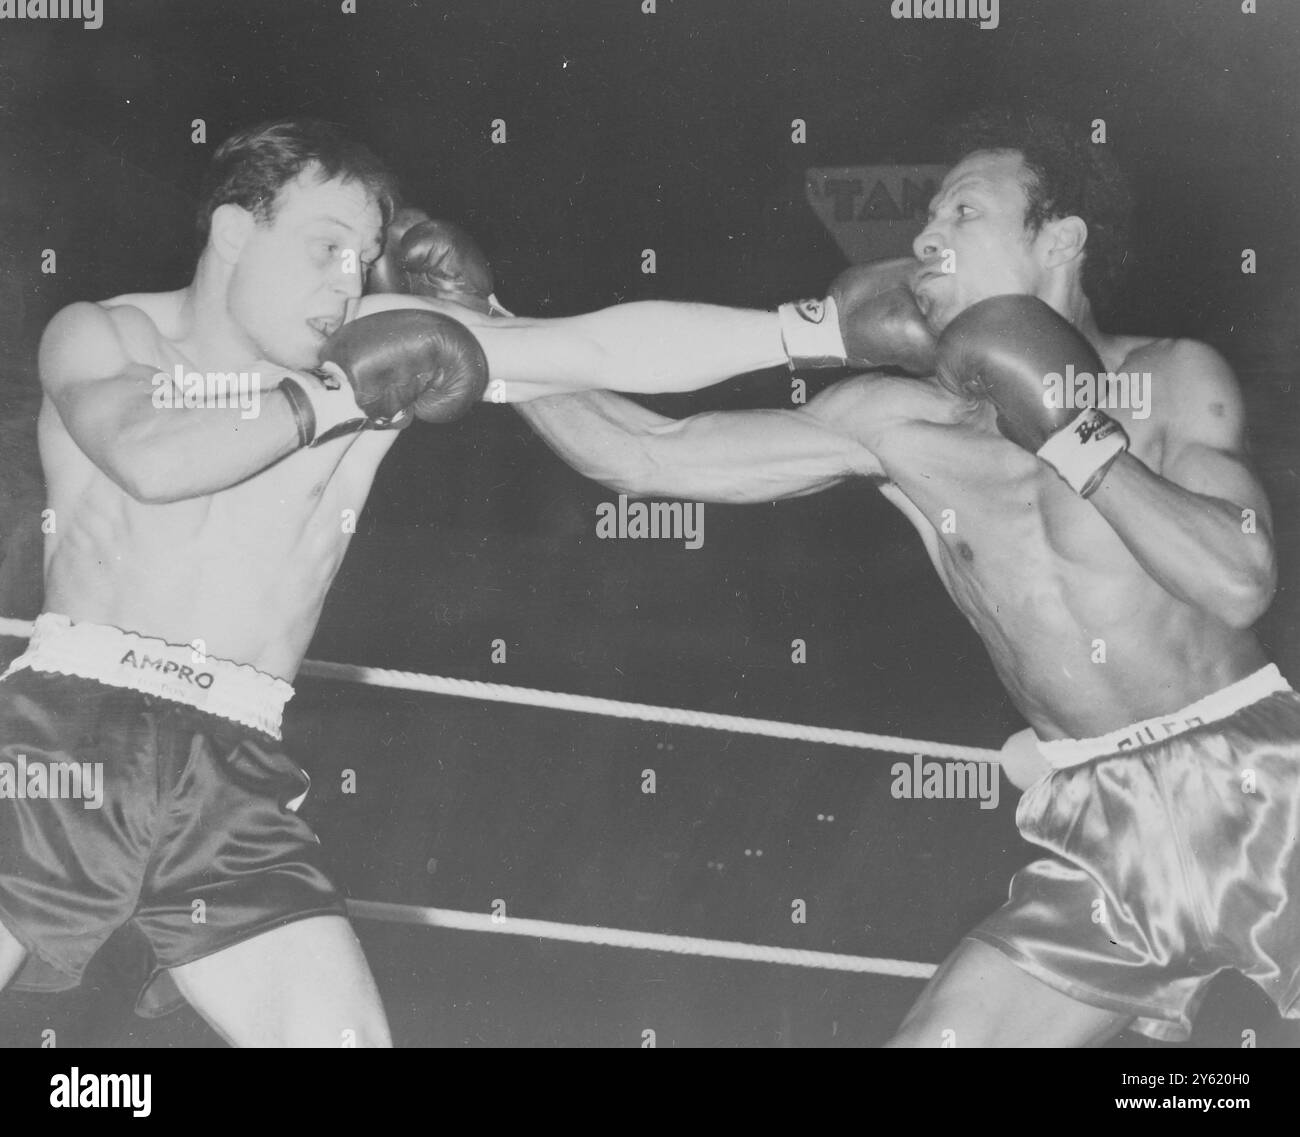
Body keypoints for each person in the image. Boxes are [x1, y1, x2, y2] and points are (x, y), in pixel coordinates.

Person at [0, 116, 931, 1047]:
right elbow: (149, 457)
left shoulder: (368, 337)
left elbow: (596, 350)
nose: (344, 284)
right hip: (72, 735)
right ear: (235, 231)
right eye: (325, 247)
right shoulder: (106, 332)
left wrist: (814, 331)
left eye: (362, 260)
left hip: (237, 765)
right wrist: (341, 393)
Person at [515, 108, 1299, 1046]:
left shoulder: (1171, 377)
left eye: (963, 211)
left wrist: (1075, 439)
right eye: (925, 217)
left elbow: (1241, 576)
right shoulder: (899, 423)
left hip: (1261, 783)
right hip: (1098, 830)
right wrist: (492, 345)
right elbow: (649, 455)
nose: (925, 236)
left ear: (1060, 239)